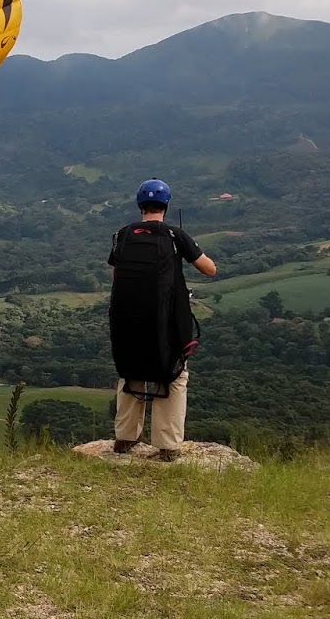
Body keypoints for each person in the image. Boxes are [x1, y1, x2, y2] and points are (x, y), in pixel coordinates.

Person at [106, 179, 217, 461]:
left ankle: (125, 438)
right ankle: (167, 445)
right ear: (165, 206)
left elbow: (115, 275)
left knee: (130, 370)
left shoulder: (122, 235)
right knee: (174, 372)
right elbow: (209, 269)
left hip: (127, 320)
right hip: (166, 320)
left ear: (140, 206)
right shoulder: (174, 234)